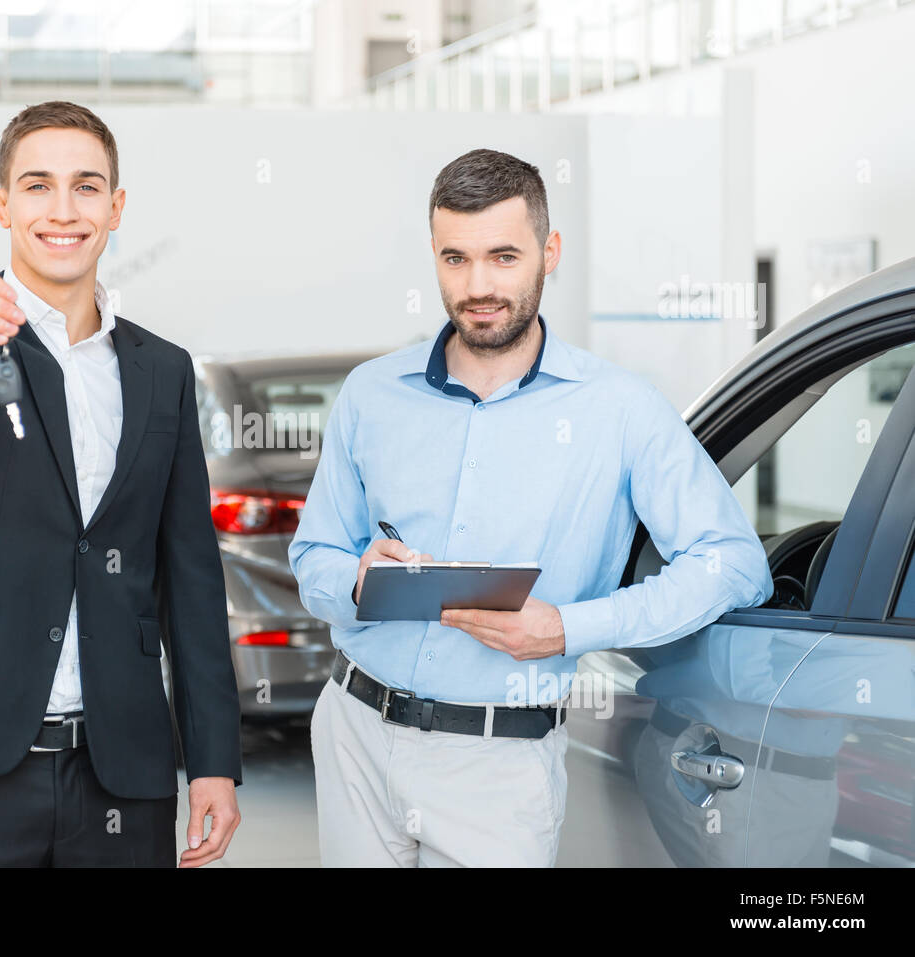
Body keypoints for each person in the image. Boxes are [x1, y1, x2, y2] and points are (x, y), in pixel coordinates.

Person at [288, 148, 773, 867]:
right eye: (455, 258)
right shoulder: (370, 393)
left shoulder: (621, 409)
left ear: (549, 253)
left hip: (499, 766)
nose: (478, 285)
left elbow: (734, 565)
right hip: (354, 731)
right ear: (433, 254)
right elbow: (313, 557)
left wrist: (569, 628)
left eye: (503, 256)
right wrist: (357, 579)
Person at [0, 101, 242, 867]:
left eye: (86, 187)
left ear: (116, 207)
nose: (62, 210)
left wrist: (213, 760)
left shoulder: (162, 370)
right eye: (37, 186)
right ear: (2, 204)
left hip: (122, 771)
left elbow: (190, 579)